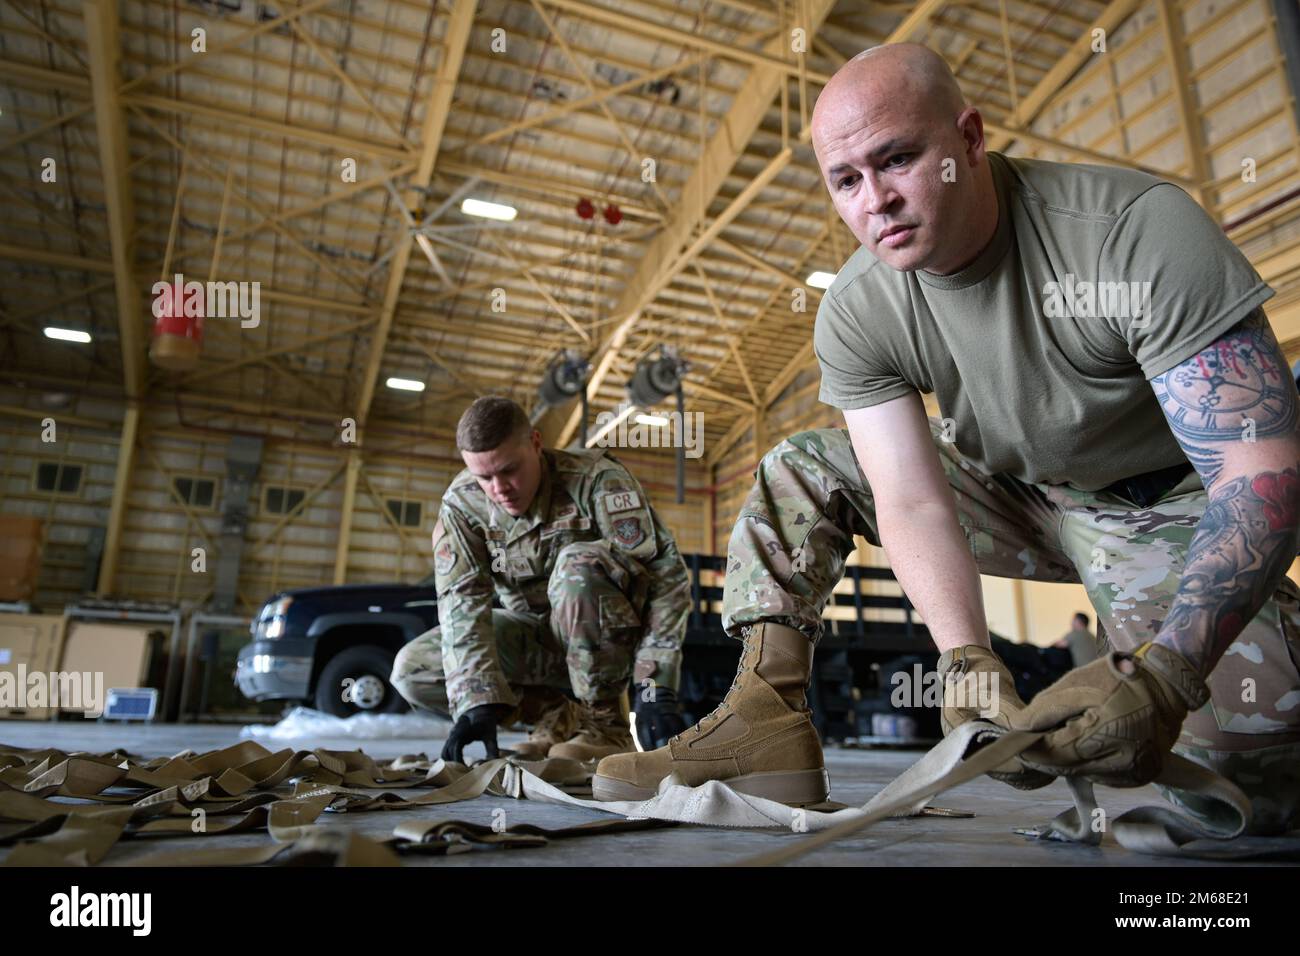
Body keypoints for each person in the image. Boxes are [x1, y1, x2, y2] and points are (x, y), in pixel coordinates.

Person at [595, 43, 1300, 833]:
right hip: (1019, 489)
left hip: (1164, 502)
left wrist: (1168, 674)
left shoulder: (1131, 234)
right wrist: (965, 661)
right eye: (846, 180)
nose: (876, 202)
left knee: (1254, 784)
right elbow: (908, 498)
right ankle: (763, 723)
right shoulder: (860, 310)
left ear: (970, 138)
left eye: (897, 159)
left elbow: (1261, 469)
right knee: (801, 467)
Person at [391, 396, 690, 763]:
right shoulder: (463, 504)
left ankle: (606, 728)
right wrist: (476, 701)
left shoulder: (595, 479)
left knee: (576, 566)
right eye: (484, 477)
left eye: (509, 469)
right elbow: (461, 601)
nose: (499, 488)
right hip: (536, 641)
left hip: (611, 638)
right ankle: (556, 714)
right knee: (414, 670)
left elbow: (665, 577)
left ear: (535, 443)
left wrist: (653, 683)